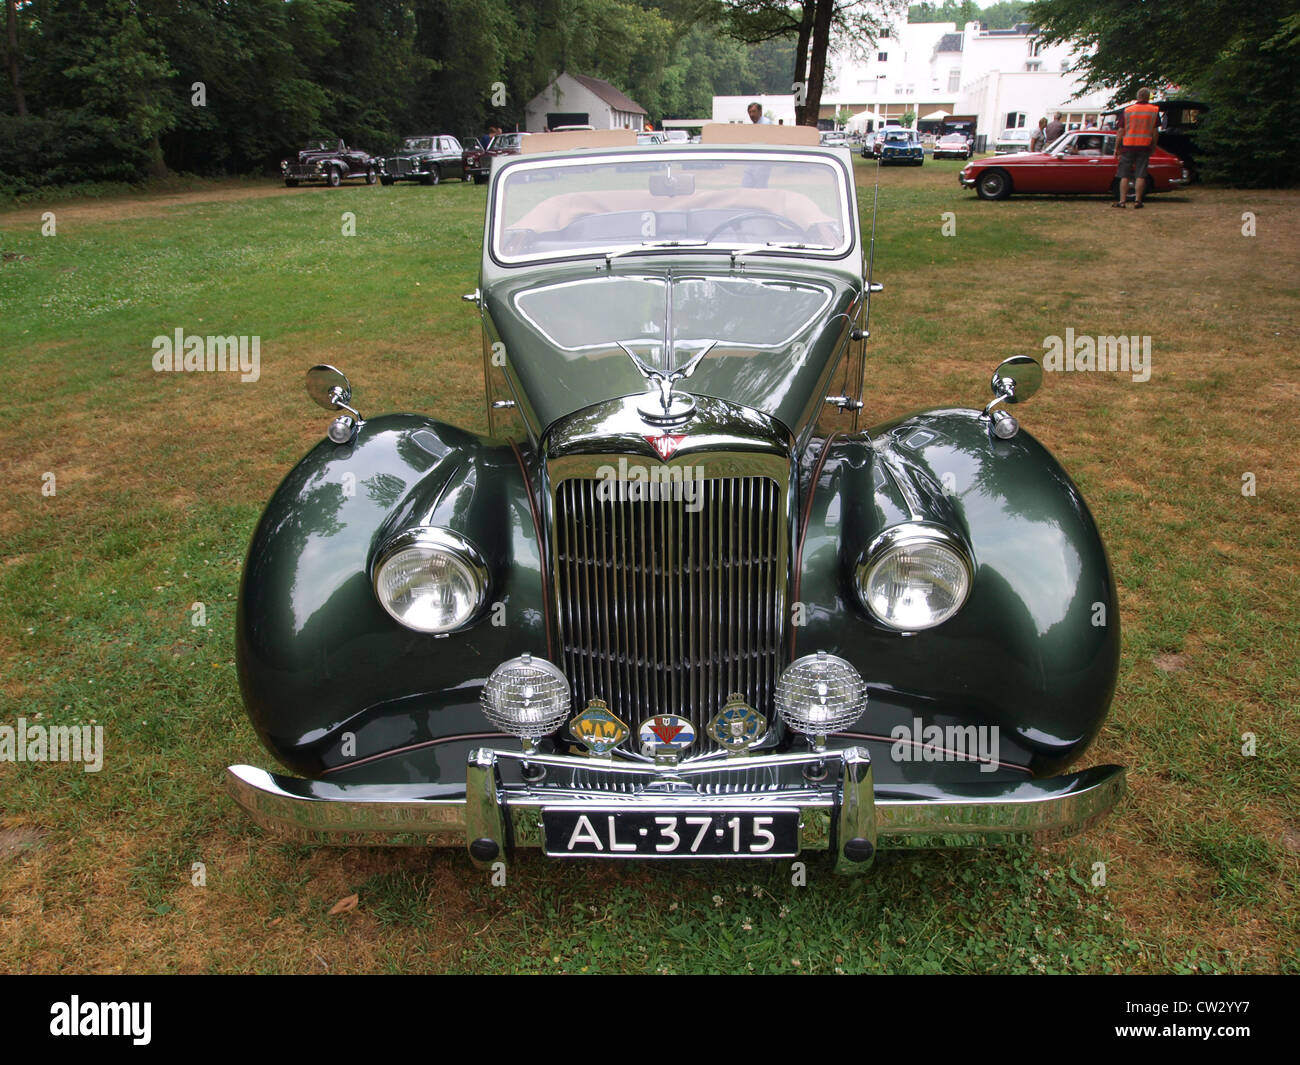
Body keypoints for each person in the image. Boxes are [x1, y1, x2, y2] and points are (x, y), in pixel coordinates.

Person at [1114, 87, 1159, 208]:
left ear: (1138, 96)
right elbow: (1155, 132)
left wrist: (1117, 147)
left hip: (1128, 146)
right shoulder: (1154, 110)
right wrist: (1153, 146)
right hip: (1144, 146)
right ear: (1148, 97)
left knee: (1124, 175)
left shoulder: (1128, 110)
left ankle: (1122, 201)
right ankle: (1138, 201)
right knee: (1140, 174)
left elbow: (1120, 131)